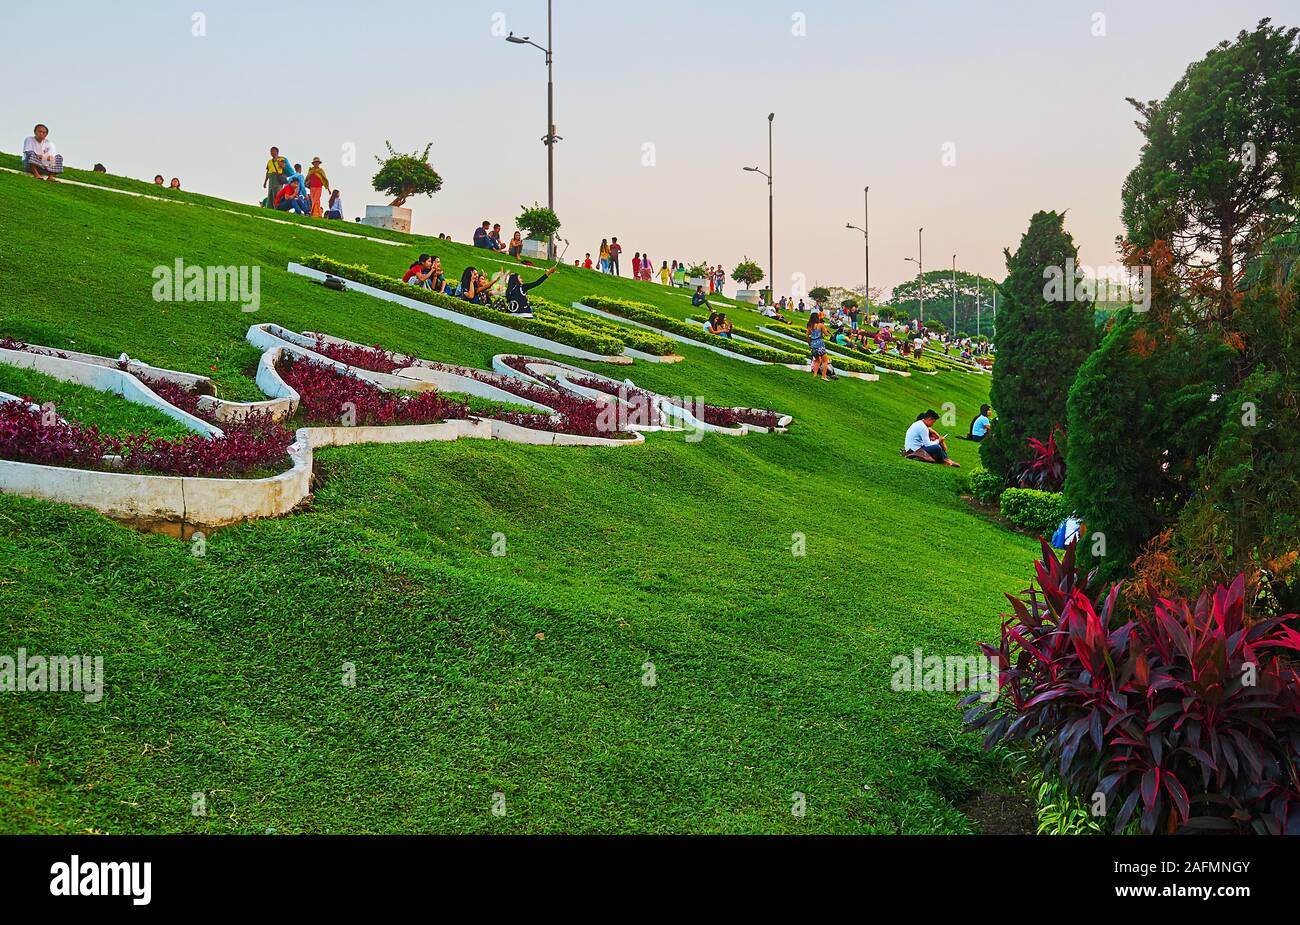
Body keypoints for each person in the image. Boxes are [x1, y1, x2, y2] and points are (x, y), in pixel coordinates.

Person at [807, 311, 831, 380]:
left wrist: (810, 344)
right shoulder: (820, 325)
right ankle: (824, 376)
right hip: (820, 344)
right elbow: (826, 334)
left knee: (817, 360)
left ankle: (815, 375)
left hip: (813, 345)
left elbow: (807, 336)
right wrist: (826, 330)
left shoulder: (810, 326)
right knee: (825, 361)